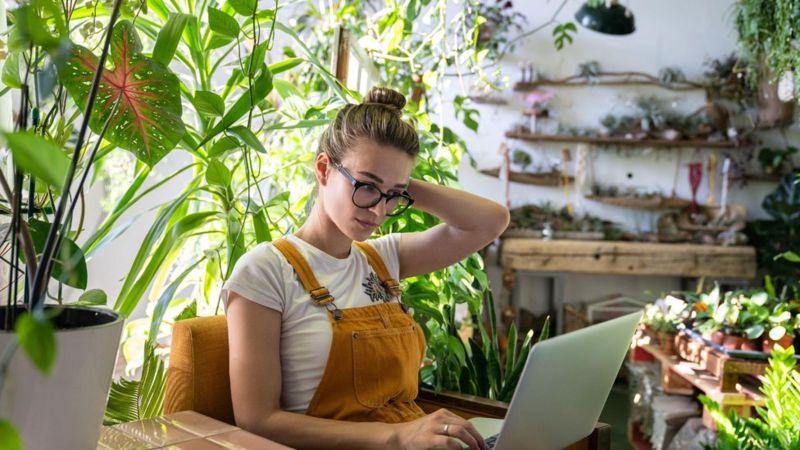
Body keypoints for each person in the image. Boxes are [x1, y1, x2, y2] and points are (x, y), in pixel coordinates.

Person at [223, 87, 509, 450]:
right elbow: (256, 419)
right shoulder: (265, 271)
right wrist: (397, 436)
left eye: (393, 197)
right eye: (366, 187)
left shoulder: (383, 258)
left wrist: (393, 179)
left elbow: (490, 222)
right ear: (323, 169)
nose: (378, 211)